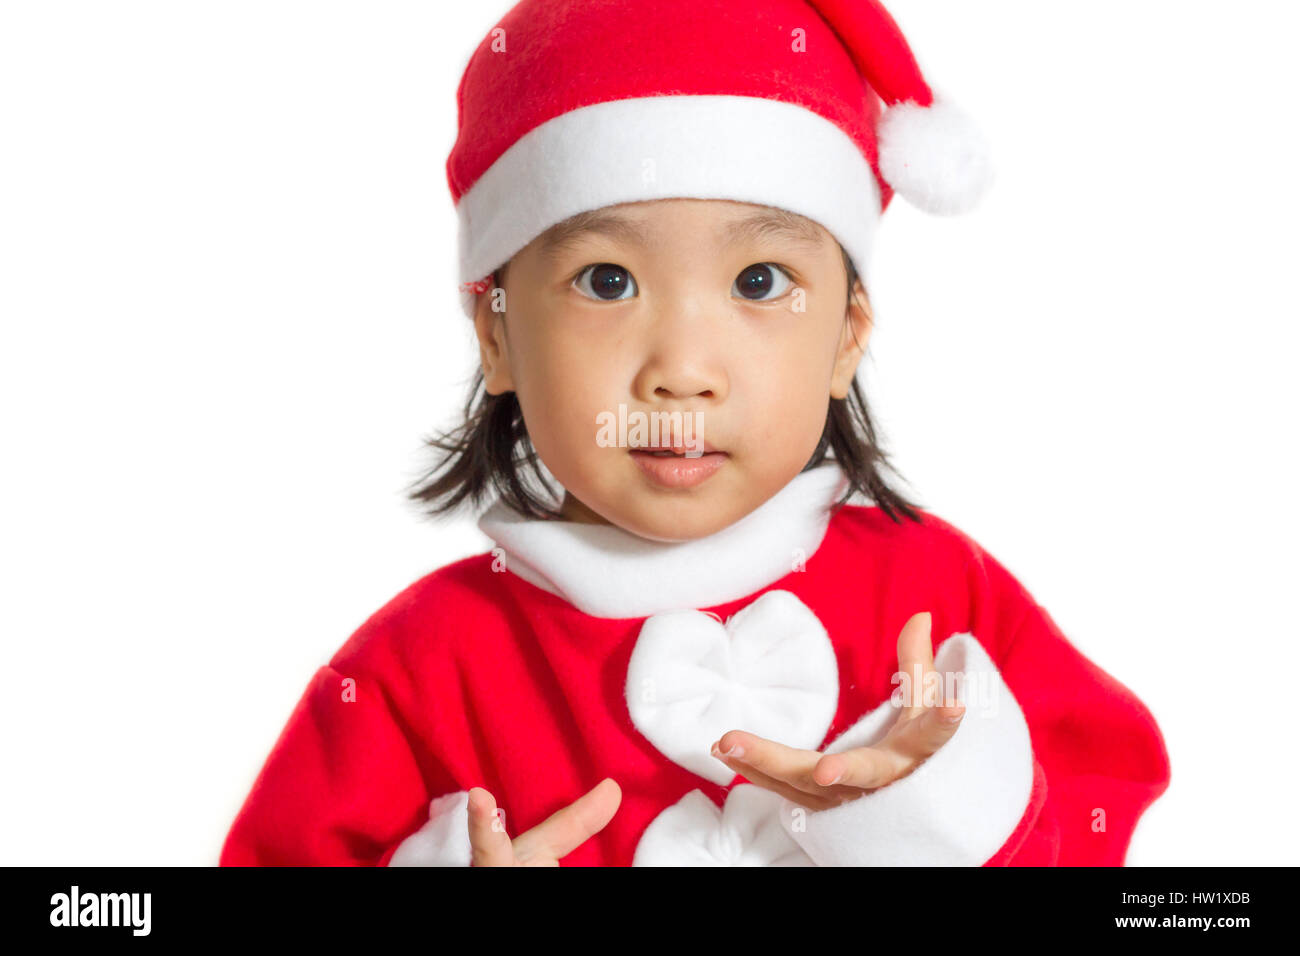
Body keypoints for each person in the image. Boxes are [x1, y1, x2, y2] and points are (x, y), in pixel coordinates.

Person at [220, 0, 1171, 866]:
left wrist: (942, 817)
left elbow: (1106, 802)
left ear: (847, 338)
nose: (682, 365)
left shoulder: (945, 600)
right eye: (607, 280)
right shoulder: (410, 677)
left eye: (759, 282)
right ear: (497, 334)